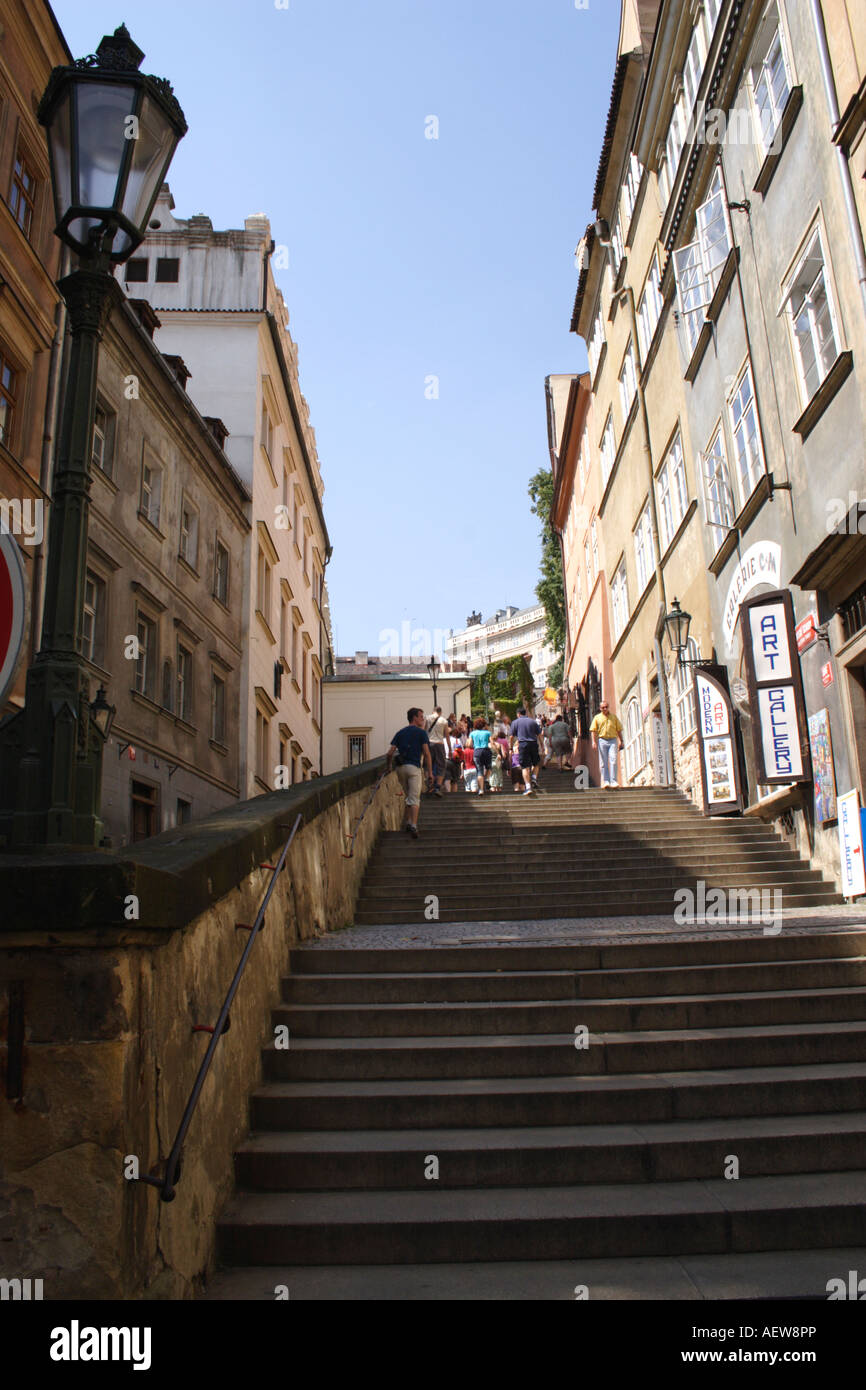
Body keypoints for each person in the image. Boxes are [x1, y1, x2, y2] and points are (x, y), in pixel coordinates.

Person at [386, 707, 433, 837]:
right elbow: (427, 754)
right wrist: (430, 773)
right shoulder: (421, 733)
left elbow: (390, 753)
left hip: (400, 769)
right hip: (414, 768)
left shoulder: (400, 732)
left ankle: (407, 822)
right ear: (414, 718)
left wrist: (389, 766)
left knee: (408, 796)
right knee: (414, 798)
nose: (423, 719)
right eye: (421, 717)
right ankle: (413, 825)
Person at [590, 698, 625, 788]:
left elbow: (619, 729)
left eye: (606, 707)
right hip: (602, 740)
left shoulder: (614, 717)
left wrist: (621, 740)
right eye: (603, 707)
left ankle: (613, 781)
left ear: (608, 707)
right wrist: (594, 741)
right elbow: (593, 730)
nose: (605, 709)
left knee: (613, 760)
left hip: (613, 740)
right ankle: (606, 781)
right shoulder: (597, 718)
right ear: (600, 708)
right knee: (603, 762)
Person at [510, 706, 541, 796]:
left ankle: (528, 787)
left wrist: (510, 747)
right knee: (536, 763)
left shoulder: (515, 722)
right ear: (525, 713)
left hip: (523, 744)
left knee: (525, 767)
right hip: (533, 743)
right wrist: (542, 745)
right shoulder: (533, 721)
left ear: (518, 714)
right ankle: (534, 778)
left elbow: (511, 736)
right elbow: (539, 734)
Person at [425, 705, 448, 797]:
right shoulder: (444, 721)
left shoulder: (427, 718)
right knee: (441, 765)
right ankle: (438, 787)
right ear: (440, 712)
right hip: (439, 744)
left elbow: (423, 731)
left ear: (433, 711)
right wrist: (450, 749)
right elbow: (446, 735)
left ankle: (430, 785)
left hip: (429, 744)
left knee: (428, 765)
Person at [468, 716, 493, 796]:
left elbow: (469, 744)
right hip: (486, 751)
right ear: (483, 725)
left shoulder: (472, 733)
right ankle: (486, 779)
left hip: (477, 752)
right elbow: (492, 743)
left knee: (479, 771)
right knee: (489, 768)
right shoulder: (487, 733)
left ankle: (481, 790)